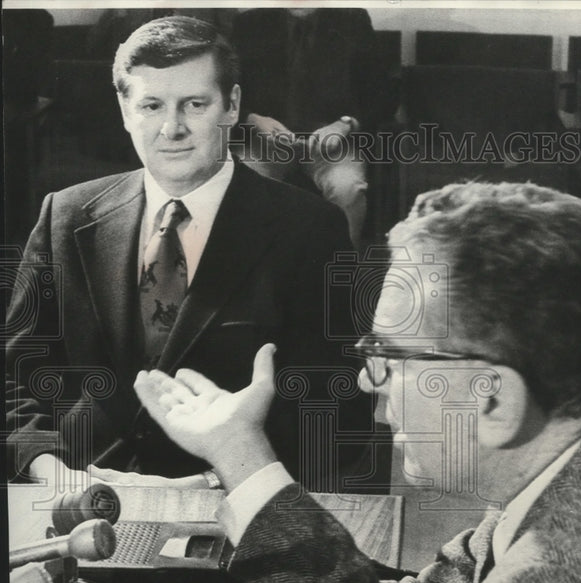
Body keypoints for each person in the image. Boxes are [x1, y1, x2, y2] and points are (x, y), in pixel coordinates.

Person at [133, 181, 581, 583]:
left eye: (391, 357)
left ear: (493, 400)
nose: (364, 380)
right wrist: (238, 451)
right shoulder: (548, 491)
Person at [5, 15, 372, 494]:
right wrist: (51, 471)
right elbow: (15, 376)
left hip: (226, 503)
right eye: (151, 105)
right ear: (125, 110)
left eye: (194, 104)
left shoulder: (310, 229)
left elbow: (336, 405)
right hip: (75, 494)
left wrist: (213, 480)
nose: (171, 128)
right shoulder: (66, 216)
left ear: (232, 105)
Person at [231, 7, 391, 248]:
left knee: (348, 187)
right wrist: (252, 119)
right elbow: (225, 89)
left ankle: (342, 266)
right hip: (265, 142)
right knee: (246, 186)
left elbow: (382, 94)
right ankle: (261, 268)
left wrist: (345, 124)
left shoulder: (352, 20)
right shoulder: (250, 23)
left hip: (332, 146)